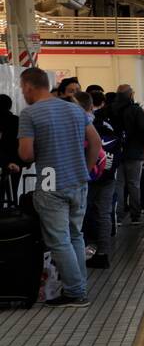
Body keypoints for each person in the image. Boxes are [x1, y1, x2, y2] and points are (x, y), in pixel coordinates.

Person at [16, 66, 101, 307]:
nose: (23, 93)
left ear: (29, 87)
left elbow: (26, 154)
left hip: (52, 182)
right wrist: (85, 168)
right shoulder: (74, 109)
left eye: (23, 88)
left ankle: (75, 292)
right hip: (78, 180)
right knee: (75, 235)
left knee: (59, 240)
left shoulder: (30, 114)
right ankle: (79, 286)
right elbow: (95, 142)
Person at [84, 88, 119, 268]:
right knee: (104, 214)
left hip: (87, 177)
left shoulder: (84, 125)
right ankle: (103, 253)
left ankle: (85, 252)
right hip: (108, 175)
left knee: (83, 213)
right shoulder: (107, 123)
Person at [112, 85, 144, 225]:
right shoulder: (136, 110)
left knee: (119, 184)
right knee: (134, 184)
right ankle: (136, 216)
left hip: (117, 152)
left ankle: (118, 217)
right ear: (130, 95)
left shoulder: (112, 110)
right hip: (134, 153)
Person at [0, 94, 20, 206]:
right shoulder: (16, 120)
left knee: (1, 191)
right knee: (14, 188)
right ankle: (14, 208)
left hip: (2, 159)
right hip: (15, 159)